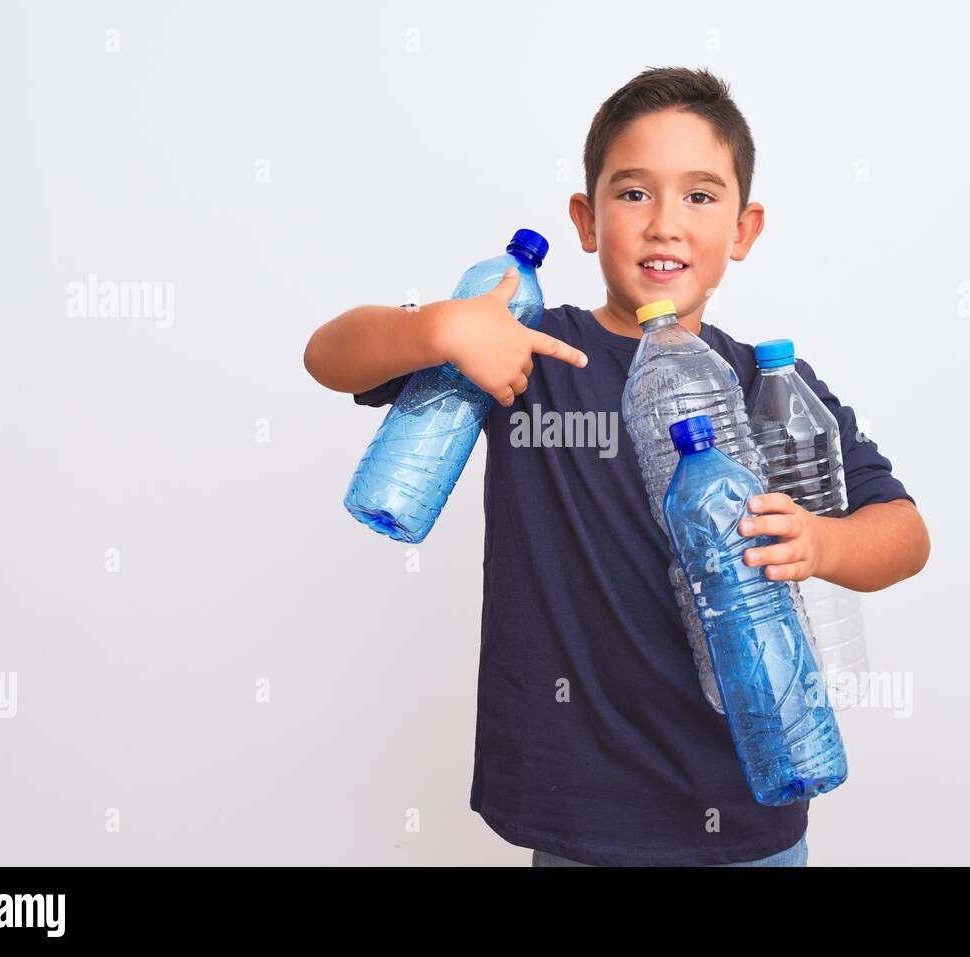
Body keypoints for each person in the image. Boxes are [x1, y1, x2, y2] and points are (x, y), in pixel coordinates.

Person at [303, 67, 930, 866]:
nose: (664, 223)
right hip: (579, 812)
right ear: (587, 219)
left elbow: (905, 533)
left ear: (744, 229)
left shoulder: (770, 388)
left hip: (747, 802)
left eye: (700, 197)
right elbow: (328, 356)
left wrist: (822, 543)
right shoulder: (530, 352)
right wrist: (438, 330)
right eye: (634, 193)